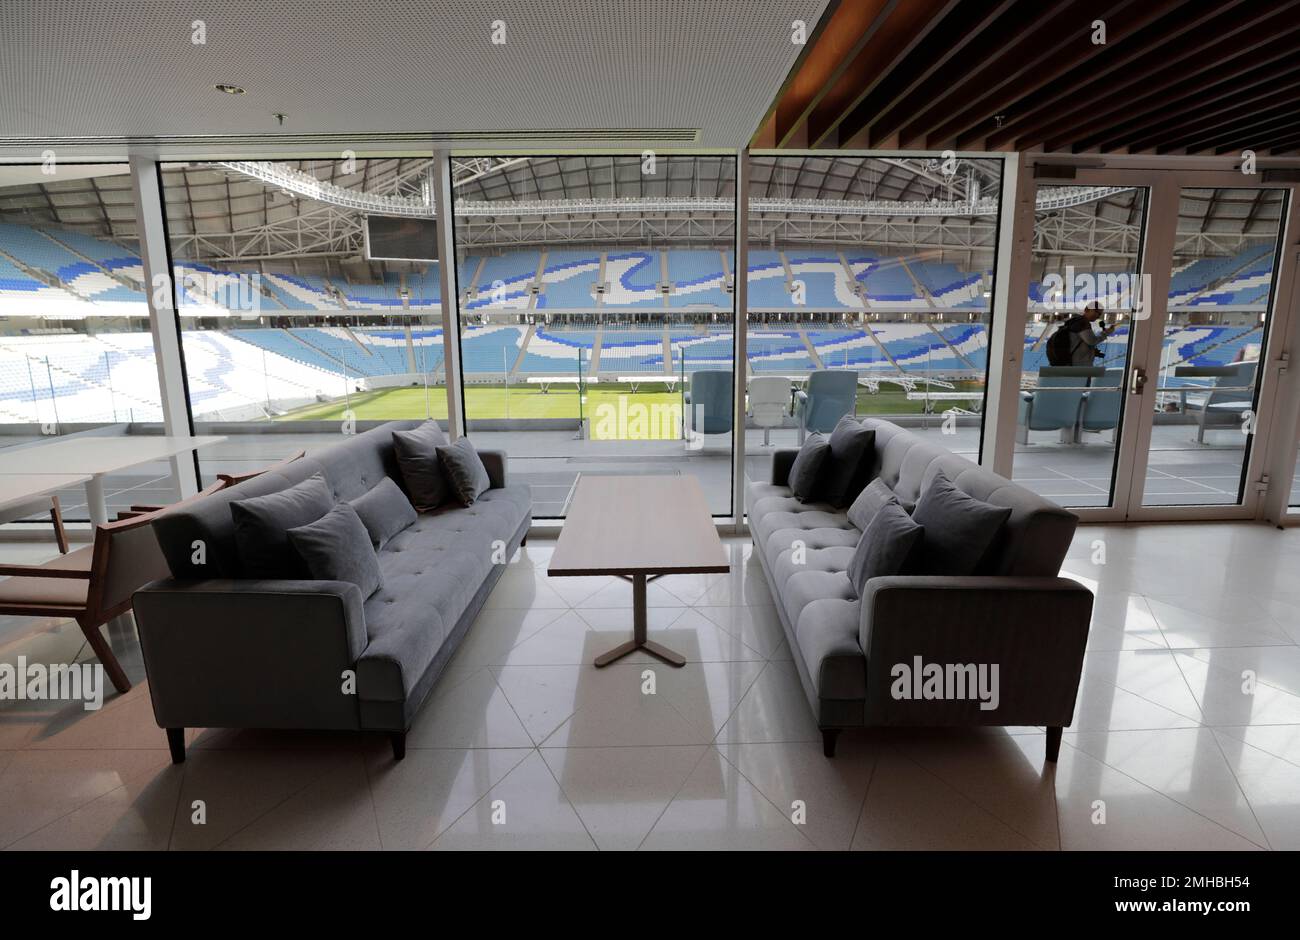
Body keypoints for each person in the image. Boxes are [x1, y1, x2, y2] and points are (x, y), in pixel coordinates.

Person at [1048, 301, 1117, 366]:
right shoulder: (1083, 322)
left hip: (1072, 364)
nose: (1098, 316)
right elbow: (1092, 341)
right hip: (1078, 366)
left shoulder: (1074, 322)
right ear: (1087, 309)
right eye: (1096, 312)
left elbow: (1078, 342)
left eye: (1099, 314)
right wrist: (1106, 333)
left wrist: (1091, 351)